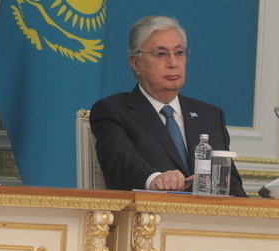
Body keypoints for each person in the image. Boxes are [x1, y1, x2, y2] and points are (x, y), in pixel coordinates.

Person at [90, 15, 247, 195]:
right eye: (161, 54)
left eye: (179, 53)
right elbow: (121, 161)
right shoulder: (113, 110)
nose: (173, 63)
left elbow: (231, 186)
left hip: (207, 212)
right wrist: (155, 180)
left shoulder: (210, 115)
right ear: (136, 64)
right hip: (147, 211)